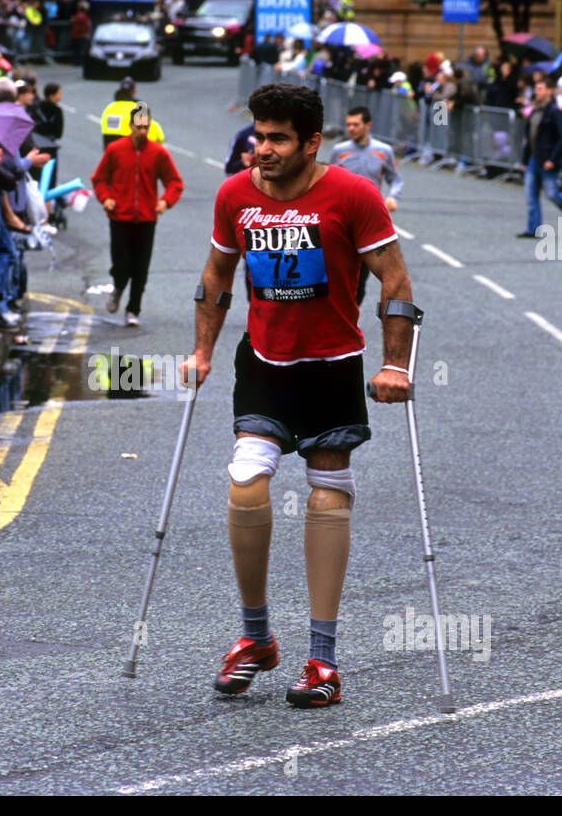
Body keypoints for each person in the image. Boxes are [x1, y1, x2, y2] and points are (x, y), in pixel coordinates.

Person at [177, 82, 415, 708]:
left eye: (279, 138)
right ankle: (256, 636)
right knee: (246, 481)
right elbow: (216, 278)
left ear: (312, 142)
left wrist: (396, 366)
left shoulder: (354, 195)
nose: (264, 149)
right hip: (265, 361)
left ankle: (322, 660)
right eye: (259, 136)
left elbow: (394, 278)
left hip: (333, 364)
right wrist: (201, 351)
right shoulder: (235, 195)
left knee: (328, 496)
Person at [92, 104, 183, 326]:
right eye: (139, 127)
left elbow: (174, 182)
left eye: (146, 127)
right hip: (119, 216)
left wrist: (165, 201)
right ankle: (118, 287)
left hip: (146, 218)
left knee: (141, 266)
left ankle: (133, 310)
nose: (142, 131)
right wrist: (106, 199)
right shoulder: (115, 150)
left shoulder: (158, 153)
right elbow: (99, 179)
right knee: (121, 264)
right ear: (130, 125)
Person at [328, 106, 403, 305]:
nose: (351, 129)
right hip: (342, 219)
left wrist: (393, 196)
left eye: (356, 125)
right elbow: (329, 180)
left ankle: (352, 310)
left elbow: (395, 179)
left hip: (369, 220)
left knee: (361, 275)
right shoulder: (339, 150)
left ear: (368, 125)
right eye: (348, 125)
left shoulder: (383, 150)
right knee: (339, 268)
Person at [519, 75, 562, 238]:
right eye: (536, 88)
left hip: (547, 160)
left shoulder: (554, 112)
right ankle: (533, 228)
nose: (537, 91)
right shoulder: (535, 111)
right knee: (531, 194)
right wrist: (524, 160)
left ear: (549, 91)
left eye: (540, 89)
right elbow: (529, 137)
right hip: (533, 159)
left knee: (552, 194)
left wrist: (553, 159)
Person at [100, 77, 164, 147]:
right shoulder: (138, 107)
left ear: (119, 90)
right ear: (134, 91)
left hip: (110, 148)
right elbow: (150, 128)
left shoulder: (109, 108)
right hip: (130, 147)